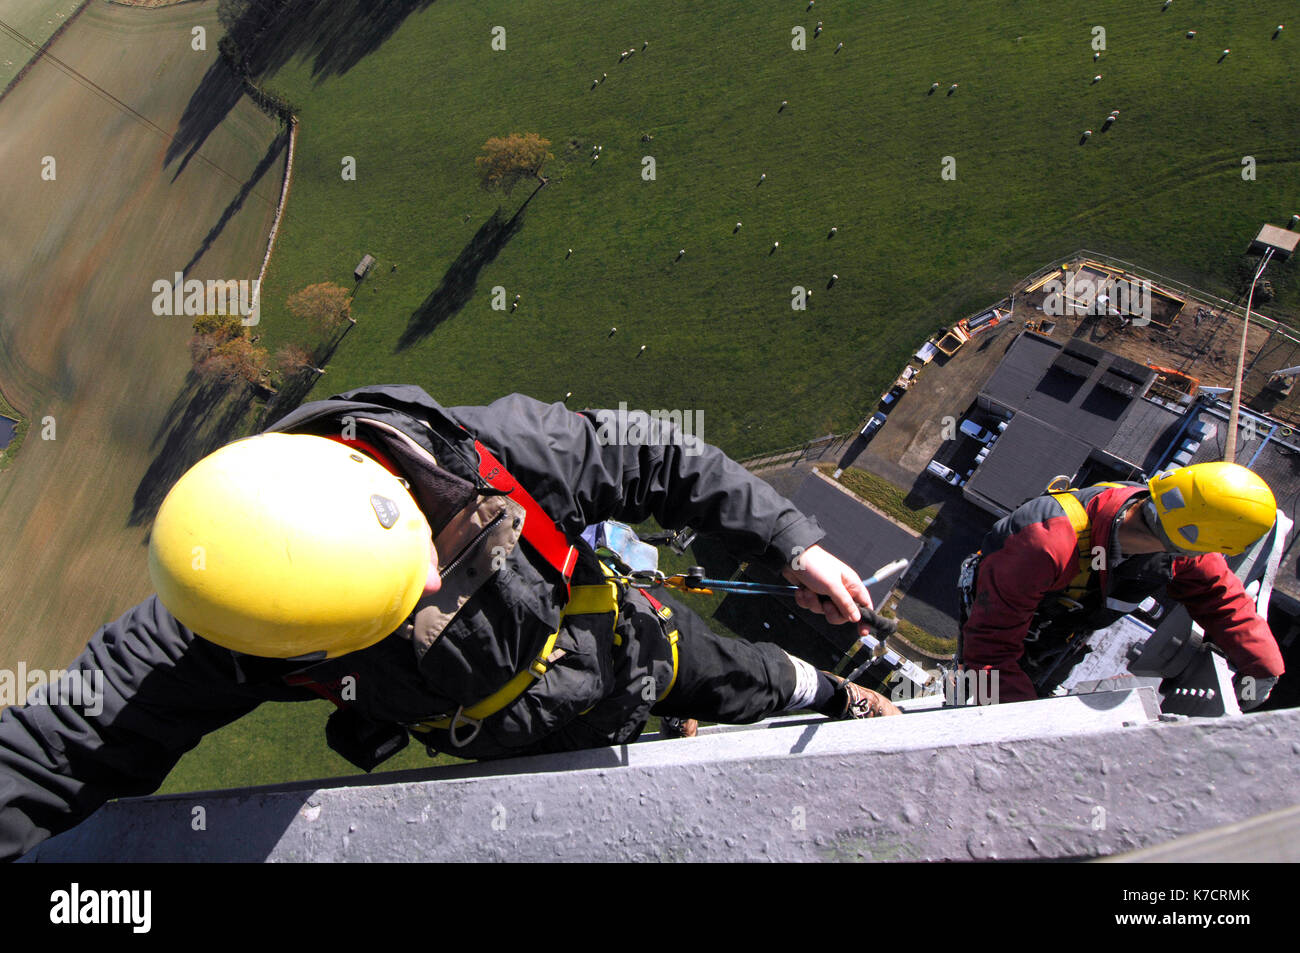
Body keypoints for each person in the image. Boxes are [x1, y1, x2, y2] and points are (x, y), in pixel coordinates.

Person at [0, 386, 899, 861]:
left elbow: (658, 453)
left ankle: (836, 693)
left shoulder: (485, 452)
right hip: (516, 750)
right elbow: (57, 744)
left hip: (631, 645)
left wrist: (790, 540)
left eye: (422, 562)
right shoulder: (234, 616)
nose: (431, 578)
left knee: (754, 676)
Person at [957, 462, 1285, 706]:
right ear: (1189, 544)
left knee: (1041, 669)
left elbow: (1220, 597)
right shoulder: (1043, 545)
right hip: (998, 628)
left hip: (1058, 626)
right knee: (974, 691)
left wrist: (1262, 666)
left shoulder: (1175, 536)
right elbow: (989, 650)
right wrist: (1026, 725)